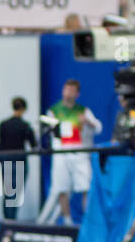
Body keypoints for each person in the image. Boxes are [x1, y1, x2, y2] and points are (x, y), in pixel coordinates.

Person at [40, 78, 101, 226]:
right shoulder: (53, 111)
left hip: (80, 153)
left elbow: (98, 128)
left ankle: (88, 221)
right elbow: (47, 132)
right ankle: (67, 220)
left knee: (86, 185)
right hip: (61, 154)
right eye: (66, 90)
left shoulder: (84, 111)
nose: (68, 93)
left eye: (71, 91)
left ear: (77, 94)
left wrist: (87, 122)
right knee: (61, 187)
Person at [0, 97, 37, 220]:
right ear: (24, 109)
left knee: (8, 192)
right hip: (20, 161)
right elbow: (34, 145)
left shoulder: (3, 125)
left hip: (5, 160)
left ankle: (7, 219)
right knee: (16, 193)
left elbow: (0, 145)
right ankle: (12, 219)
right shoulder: (25, 126)